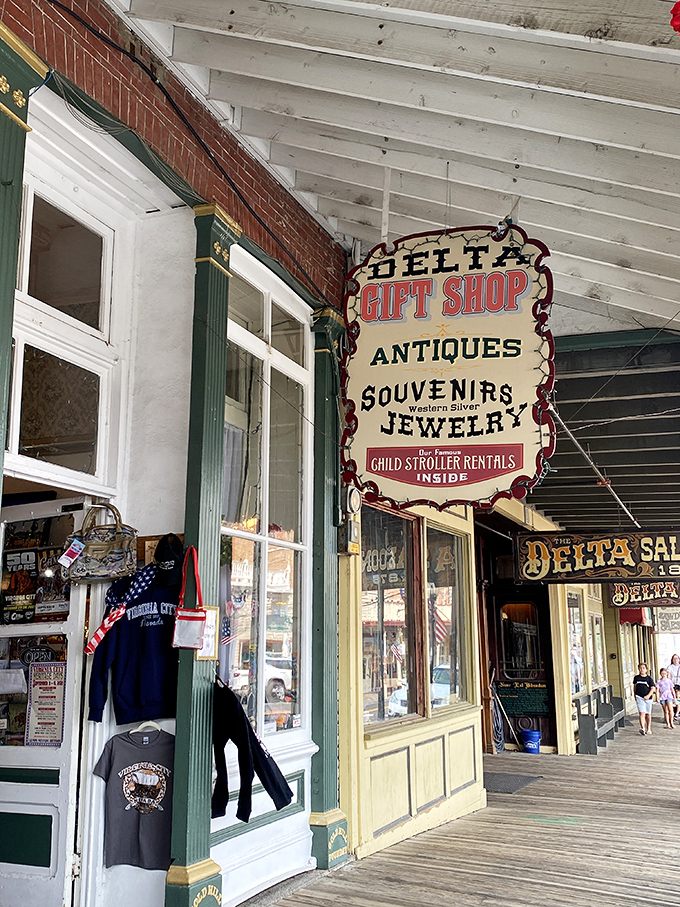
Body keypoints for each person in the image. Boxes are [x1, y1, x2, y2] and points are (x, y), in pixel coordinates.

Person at [633, 663, 656, 735]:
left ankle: (648, 728)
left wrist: (648, 696)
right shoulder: (636, 678)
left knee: (648, 714)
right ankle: (642, 728)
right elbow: (635, 687)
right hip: (639, 697)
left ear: (646, 669)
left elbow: (652, 688)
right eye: (640, 668)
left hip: (648, 698)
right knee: (642, 712)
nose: (641, 669)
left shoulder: (649, 679)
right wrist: (635, 695)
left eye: (643, 668)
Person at [667, 654, 680, 721]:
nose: (675, 660)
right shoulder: (670, 667)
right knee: (674, 699)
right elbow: (668, 675)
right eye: (674, 659)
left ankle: (678, 713)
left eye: (677, 658)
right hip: (673, 684)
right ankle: (675, 713)